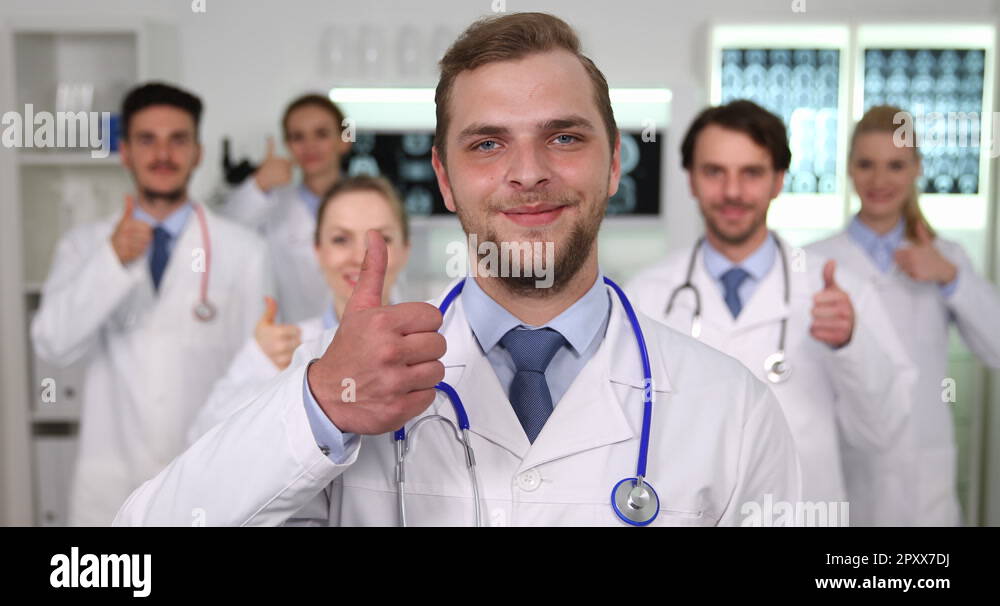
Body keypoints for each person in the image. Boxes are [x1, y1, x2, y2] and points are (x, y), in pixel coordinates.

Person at [115, 13, 799, 527]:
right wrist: (321, 403)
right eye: (487, 143)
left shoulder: (731, 411)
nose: (528, 172)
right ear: (443, 177)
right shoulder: (338, 390)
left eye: (564, 137)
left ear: (614, 161)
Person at [625, 100, 917, 522]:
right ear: (690, 179)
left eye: (752, 173)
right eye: (714, 172)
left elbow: (883, 433)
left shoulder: (839, 292)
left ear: (779, 180)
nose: (732, 192)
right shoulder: (646, 295)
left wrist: (852, 344)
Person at [31, 82, 270, 525]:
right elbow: (52, 343)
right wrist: (111, 263)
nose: (163, 154)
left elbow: (257, 376)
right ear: (124, 152)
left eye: (178, 140)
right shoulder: (84, 247)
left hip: (207, 481)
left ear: (197, 152)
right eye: (147, 140)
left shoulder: (243, 251)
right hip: (110, 486)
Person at [808, 105, 1000, 526]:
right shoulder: (815, 261)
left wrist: (951, 279)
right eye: (866, 164)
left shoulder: (946, 257)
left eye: (895, 165)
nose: (879, 180)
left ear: (917, 169)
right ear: (849, 170)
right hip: (843, 464)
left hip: (924, 471)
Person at [187, 175, 411, 442]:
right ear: (318, 251)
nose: (361, 257)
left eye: (380, 239)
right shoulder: (283, 348)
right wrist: (261, 363)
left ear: (405, 249)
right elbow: (202, 439)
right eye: (340, 239)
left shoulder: (439, 343)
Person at [221, 94, 352, 324]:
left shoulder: (370, 203)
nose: (309, 146)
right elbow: (223, 235)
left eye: (321, 134)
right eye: (297, 137)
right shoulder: (274, 205)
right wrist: (258, 185)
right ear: (288, 145)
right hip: (297, 346)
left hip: (364, 339)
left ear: (344, 140)